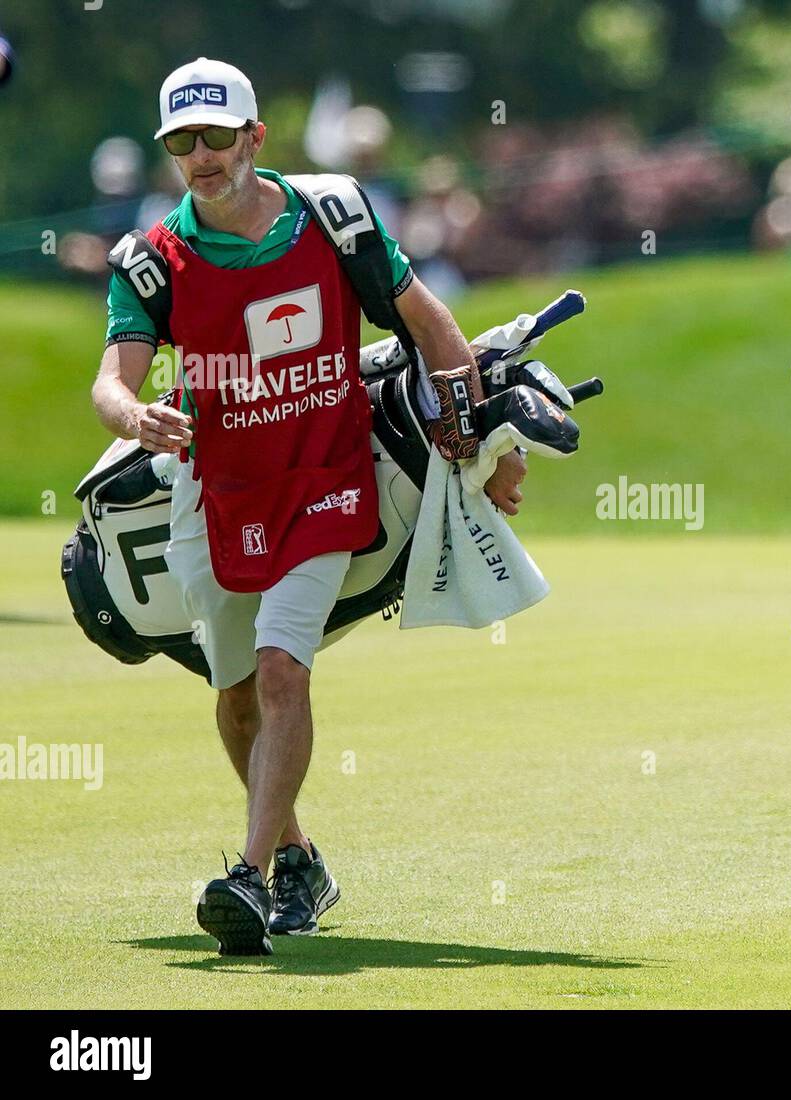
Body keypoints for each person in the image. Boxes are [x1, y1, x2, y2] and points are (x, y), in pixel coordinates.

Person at [91, 57, 527, 956]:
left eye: (217, 136)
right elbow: (112, 380)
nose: (202, 156)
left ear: (256, 136)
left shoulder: (335, 216)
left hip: (328, 478)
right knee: (238, 695)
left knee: (285, 668)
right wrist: (137, 416)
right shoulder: (150, 261)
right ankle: (297, 858)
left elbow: (431, 325)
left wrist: (481, 442)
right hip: (215, 492)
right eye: (183, 142)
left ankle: (245, 879)